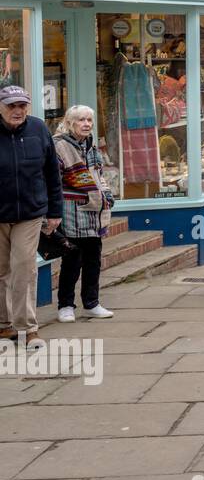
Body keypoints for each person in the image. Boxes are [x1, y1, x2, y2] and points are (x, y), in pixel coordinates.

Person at [0, 86, 62, 346]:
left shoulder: (39, 130)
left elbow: (52, 174)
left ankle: (27, 329)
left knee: (24, 268)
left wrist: (55, 212)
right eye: (11, 106)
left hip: (30, 212)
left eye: (22, 105)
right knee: (1, 271)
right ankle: (4, 326)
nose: (17, 110)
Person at [53, 105, 115, 323]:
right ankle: (66, 305)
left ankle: (91, 303)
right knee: (72, 258)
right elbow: (53, 180)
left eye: (89, 120)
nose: (87, 124)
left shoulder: (91, 146)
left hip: (95, 210)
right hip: (71, 210)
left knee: (93, 259)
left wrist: (107, 196)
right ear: (70, 123)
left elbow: (99, 176)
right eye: (81, 120)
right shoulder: (59, 146)